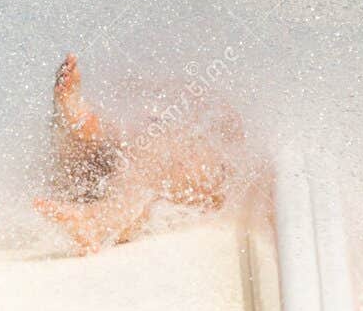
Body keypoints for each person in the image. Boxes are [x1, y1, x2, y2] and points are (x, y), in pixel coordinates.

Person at [34, 53, 248, 253]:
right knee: (129, 141)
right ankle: (79, 126)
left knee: (147, 150)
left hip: (154, 174)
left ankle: (97, 216)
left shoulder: (200, 138)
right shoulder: (181, 101)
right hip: (117, 166)